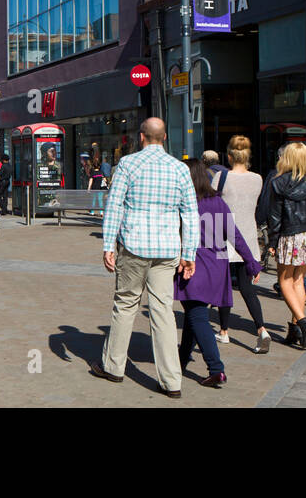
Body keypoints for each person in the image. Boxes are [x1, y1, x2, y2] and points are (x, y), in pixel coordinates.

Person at [90, 118, 197, 399]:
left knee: (125, 305)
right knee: (163, 312)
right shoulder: (179, 169)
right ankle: (172, 381)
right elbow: (190, 214)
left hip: (134, 245)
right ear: (164, 138)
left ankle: (114, 366)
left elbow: (114, 205)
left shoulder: (127, 164)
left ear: (141, 137)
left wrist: (108, 244)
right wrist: (189, 253)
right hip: (166, 250)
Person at [175, 161, 263, 388]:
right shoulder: (218, 202)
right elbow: (235, 235)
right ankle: (181, 361)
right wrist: (251, 262)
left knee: (197, 316)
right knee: (194, 315)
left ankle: (216, 368)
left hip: (195, 264)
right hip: (218, 266)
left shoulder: (187, 203)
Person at [215, 135, 270, 353]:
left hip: (223, 237)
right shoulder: (257, 178)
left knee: (224, 287)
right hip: (248, 237)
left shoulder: (221, 177)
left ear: (229, 155)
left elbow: (212, 205)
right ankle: (262, 329)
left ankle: (224, 331)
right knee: (248, 289)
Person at [269, 142, 306, 348]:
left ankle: (303, 322)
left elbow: (275, 216)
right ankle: (295, 329)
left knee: (284, 281)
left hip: (290, 234)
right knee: (299, 280)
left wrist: (272, 242)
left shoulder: (278, 182)